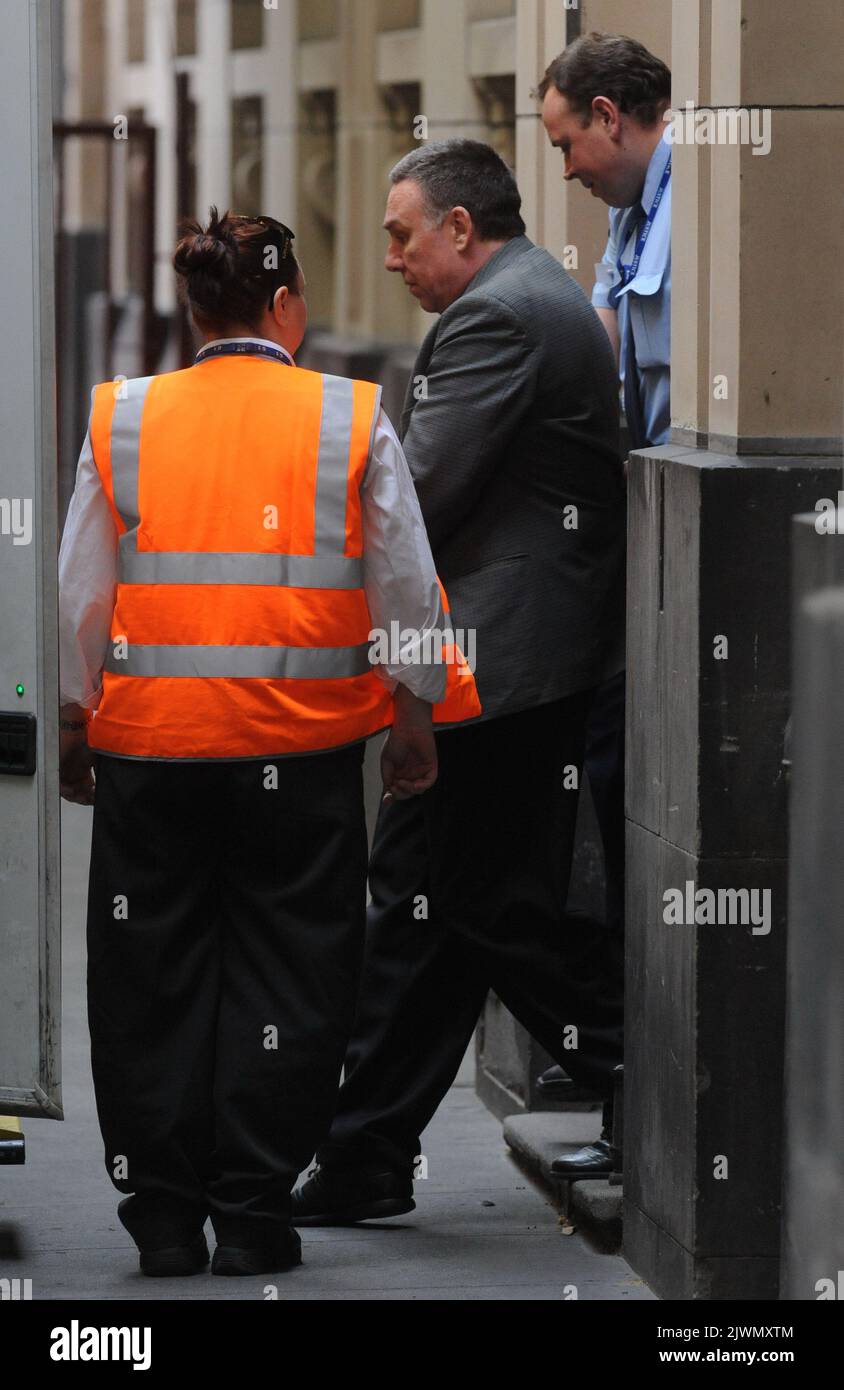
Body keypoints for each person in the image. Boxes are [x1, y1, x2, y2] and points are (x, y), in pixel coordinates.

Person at [58, 207, 479, 1277]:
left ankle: (160, 1214)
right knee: (291, 980)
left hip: (151, 752)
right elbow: (399, 574)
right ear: (286, 308)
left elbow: (78, 594)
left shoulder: (125, 416)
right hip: (300, 758)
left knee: (147, 976)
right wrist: (415, 714)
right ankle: (251, 1211)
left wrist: (74, 717)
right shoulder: (345, 416)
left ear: (193, 308)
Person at [292, 140, 626, 1227]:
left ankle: (642, 1065)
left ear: (459, 230)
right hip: (514, 658)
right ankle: (364, 1156)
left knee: (477, 906)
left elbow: (415, 491)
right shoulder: (533, 293)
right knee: (433, 912)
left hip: (504, 666)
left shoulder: (495, 315)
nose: (390, 258)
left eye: (400, 234)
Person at [536, 32, 673, 1177]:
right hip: (627, 570)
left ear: (610, 115)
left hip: (671, 572)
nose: (568, 168)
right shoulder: (629, 223)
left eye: (569, 142)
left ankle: (642, 1126)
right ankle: (627, 1118)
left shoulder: (689, 207)